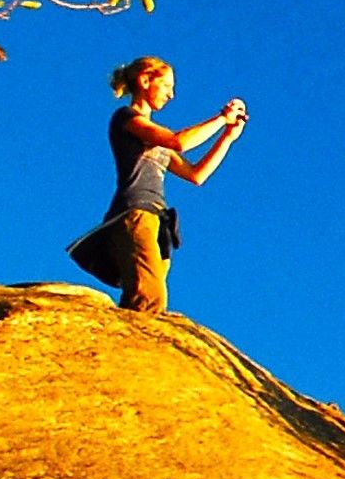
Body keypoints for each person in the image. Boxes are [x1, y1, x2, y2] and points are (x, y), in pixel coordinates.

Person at [88, 57, 246, 313]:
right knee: (150, 297)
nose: (171, 95)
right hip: (134, 215)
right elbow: (178, 141)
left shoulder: (155, 136)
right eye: (167, 86)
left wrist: (227, 138)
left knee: (145, 298)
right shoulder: (127, 118)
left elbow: (197, 174)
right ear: (145, 80)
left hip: (157, 221)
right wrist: (221, 119)